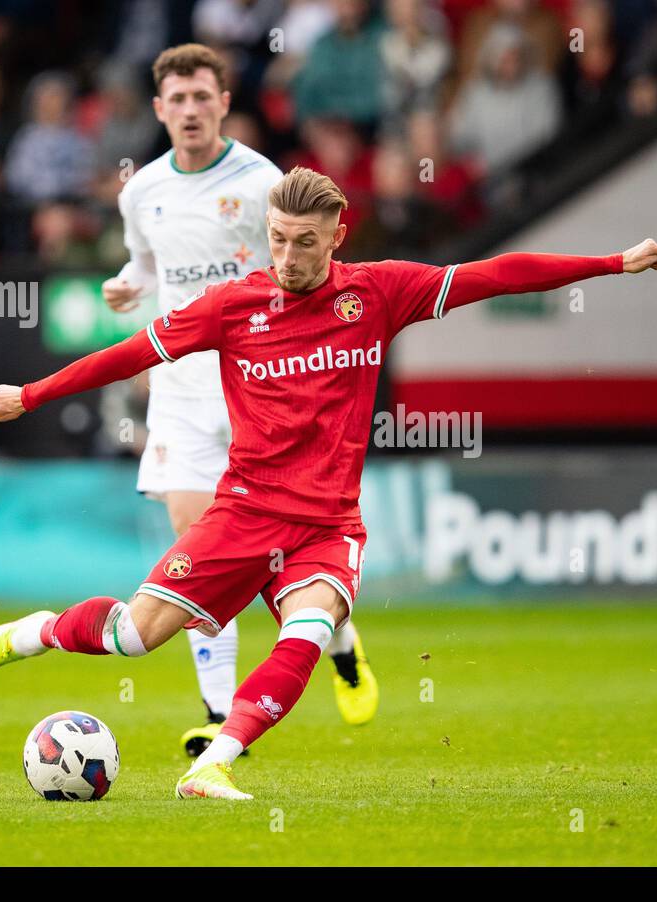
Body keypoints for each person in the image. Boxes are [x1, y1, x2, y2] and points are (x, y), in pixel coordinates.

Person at [0, 165, 657, 800]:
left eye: (305, 241)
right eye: (277, 238)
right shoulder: (231, 306)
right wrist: (31, 393)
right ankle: (36, 632)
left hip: (328, 525)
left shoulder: (379, 293)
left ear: (338, 234)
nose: (289, 256)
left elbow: (497, 274)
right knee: (135, 637)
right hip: (242, 513)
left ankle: (216, 764)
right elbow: (128, 354)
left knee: (309, 626)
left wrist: (613, 262)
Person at [102, 43, 379, 753]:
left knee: (297, 549)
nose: (191, 110)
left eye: (203, 97)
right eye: (178, 100)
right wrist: (131, 284)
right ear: (159, 109)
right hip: (184, 392)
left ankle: (341, 643)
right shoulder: (141, 191)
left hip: (265, 389)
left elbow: (311, 265)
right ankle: (222, 715)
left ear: (224, 103)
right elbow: (145, 259)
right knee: (200, 553)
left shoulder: (263, 182)